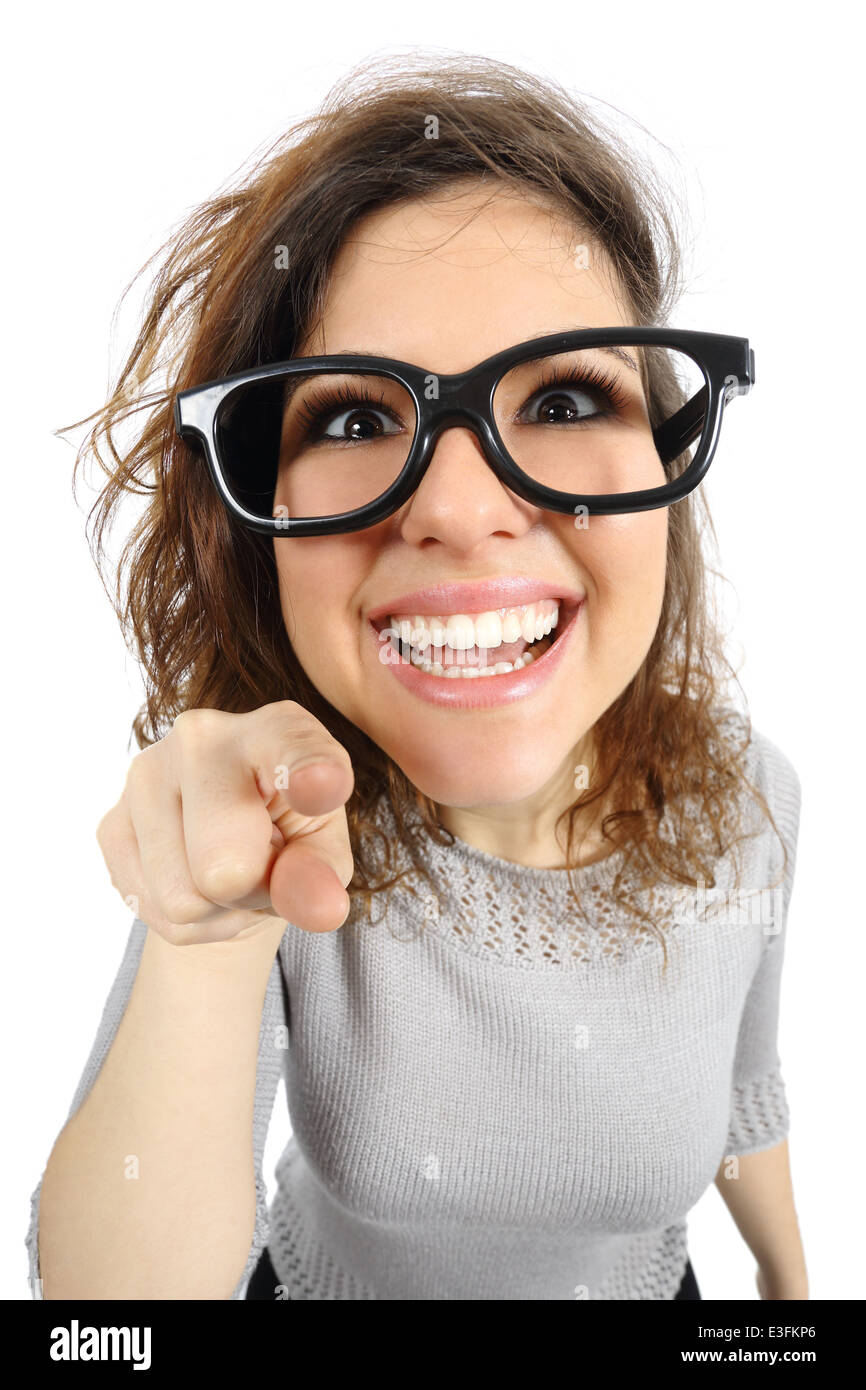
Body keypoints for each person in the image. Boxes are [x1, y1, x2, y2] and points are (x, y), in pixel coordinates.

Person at [26, 53, 807, 1301]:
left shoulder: (750, 799)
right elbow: (108, 1319)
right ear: (261, 511)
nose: (456, 506)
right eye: (350, 419)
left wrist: (789, 1287)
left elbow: (741, 1083)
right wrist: (208, 937)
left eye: (561, 396)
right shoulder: (276, 830)